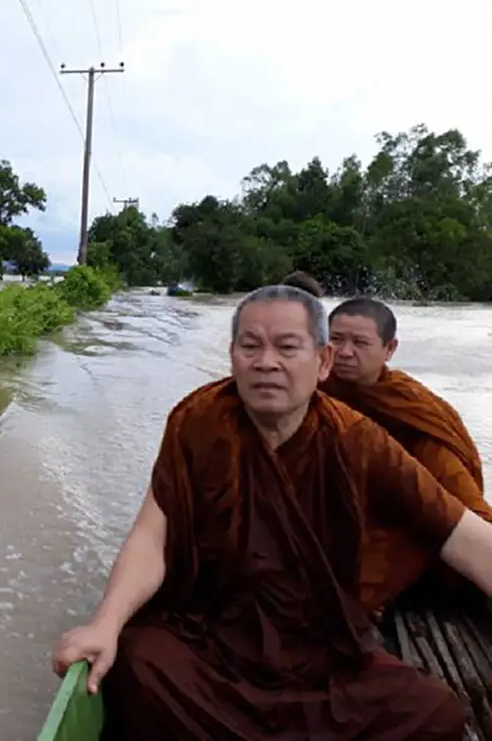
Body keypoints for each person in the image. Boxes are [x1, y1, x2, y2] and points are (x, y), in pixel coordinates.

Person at [51, 284, 492, 740]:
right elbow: (151, 537)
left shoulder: (356, 439)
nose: (266, 362)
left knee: (433, 712)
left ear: (322, 362)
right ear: (232, 355)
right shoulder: (199, 421)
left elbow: (463, 535)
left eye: (287, 347)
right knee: (138, 660)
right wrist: (104, 623)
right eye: (251, 346)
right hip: (213, 641)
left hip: (319, 653)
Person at [322, 296, 492, 608]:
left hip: (392, 534)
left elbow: (462, 501)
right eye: (335, 339)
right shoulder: (306, 390)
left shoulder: (411, 409)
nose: (345, 353)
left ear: (389, 349)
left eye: (360, 343)